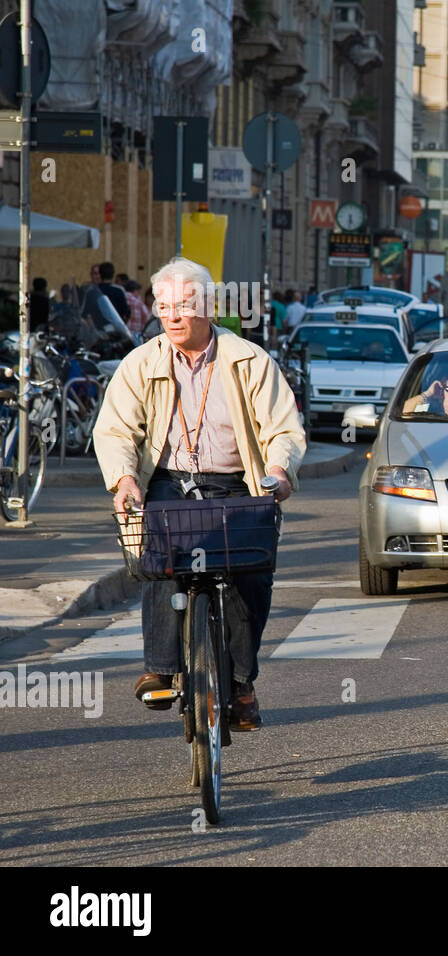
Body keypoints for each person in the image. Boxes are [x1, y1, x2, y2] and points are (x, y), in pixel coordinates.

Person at [93, 256, 306, 731]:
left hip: (236, 483)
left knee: (251, 574)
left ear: (207, 306)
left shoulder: (250, 360)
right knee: (162, 559)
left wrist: (278, 472)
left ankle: (242, 684)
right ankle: (162, 669)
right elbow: (115, 431)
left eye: (182, 306)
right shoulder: (141, 362)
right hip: (168, 481)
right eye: (163, 306)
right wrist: (124, 479)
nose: (170, 316)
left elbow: (283, 430)